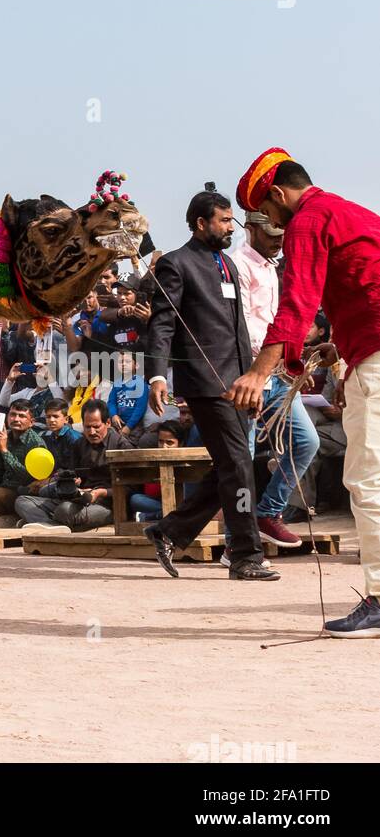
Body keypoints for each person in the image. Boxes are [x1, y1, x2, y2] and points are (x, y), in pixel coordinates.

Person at [230, 152, 380, 636]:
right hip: (367, 346)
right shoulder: (348, 210)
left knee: (369, 480)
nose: (270, 224)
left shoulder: (308, 221)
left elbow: (296, 303)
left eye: (266, 213)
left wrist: (257, 373)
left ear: (276, 196)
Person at [142, 190, 277, 581]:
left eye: (231, 220)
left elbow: (237, 330)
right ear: (201, 224)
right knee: (238, 465)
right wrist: (156, 376)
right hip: (203, 384)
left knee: (229, 468)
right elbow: (162, 324)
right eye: (222, 220)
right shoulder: (176, 264)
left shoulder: (228, 266)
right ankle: (245, 556)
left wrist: (252, 380)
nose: (229, 227)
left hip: (237, 383)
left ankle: (169, 531)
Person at [228, 207, 318, 548]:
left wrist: (291, 363)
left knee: (307, 442)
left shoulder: (270, 266)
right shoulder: (237, 264)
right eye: (272, 236)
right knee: (242, 456)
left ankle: (268, 512)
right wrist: (265, 368)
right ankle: (239, 536)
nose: (279, 243)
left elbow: (279, 322)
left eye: (282, 237)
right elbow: (245, 328)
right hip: (249, 373)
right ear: (251, 229)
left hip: (275, 372)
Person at [14, 399, 135, 531]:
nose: (92, 432)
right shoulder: (79, 445)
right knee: (22, 501)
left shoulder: (121, 446)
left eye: (96, 427)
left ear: (107, 423)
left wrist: (101, 493)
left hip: (108, 505)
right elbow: (74, 475)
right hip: (78, 501)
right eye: (87, 427)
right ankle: (51, 526)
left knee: (64, 511)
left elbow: (132, 488)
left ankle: (41, 522)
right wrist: (73, 482)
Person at [0, 401, 44, 526]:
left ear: (31, 422)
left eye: (22, 416)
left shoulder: (36, 444)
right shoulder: (2, 438)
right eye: (12, 415)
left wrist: (4, 451)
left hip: (21, 495)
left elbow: (28, 478)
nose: (16, 419)